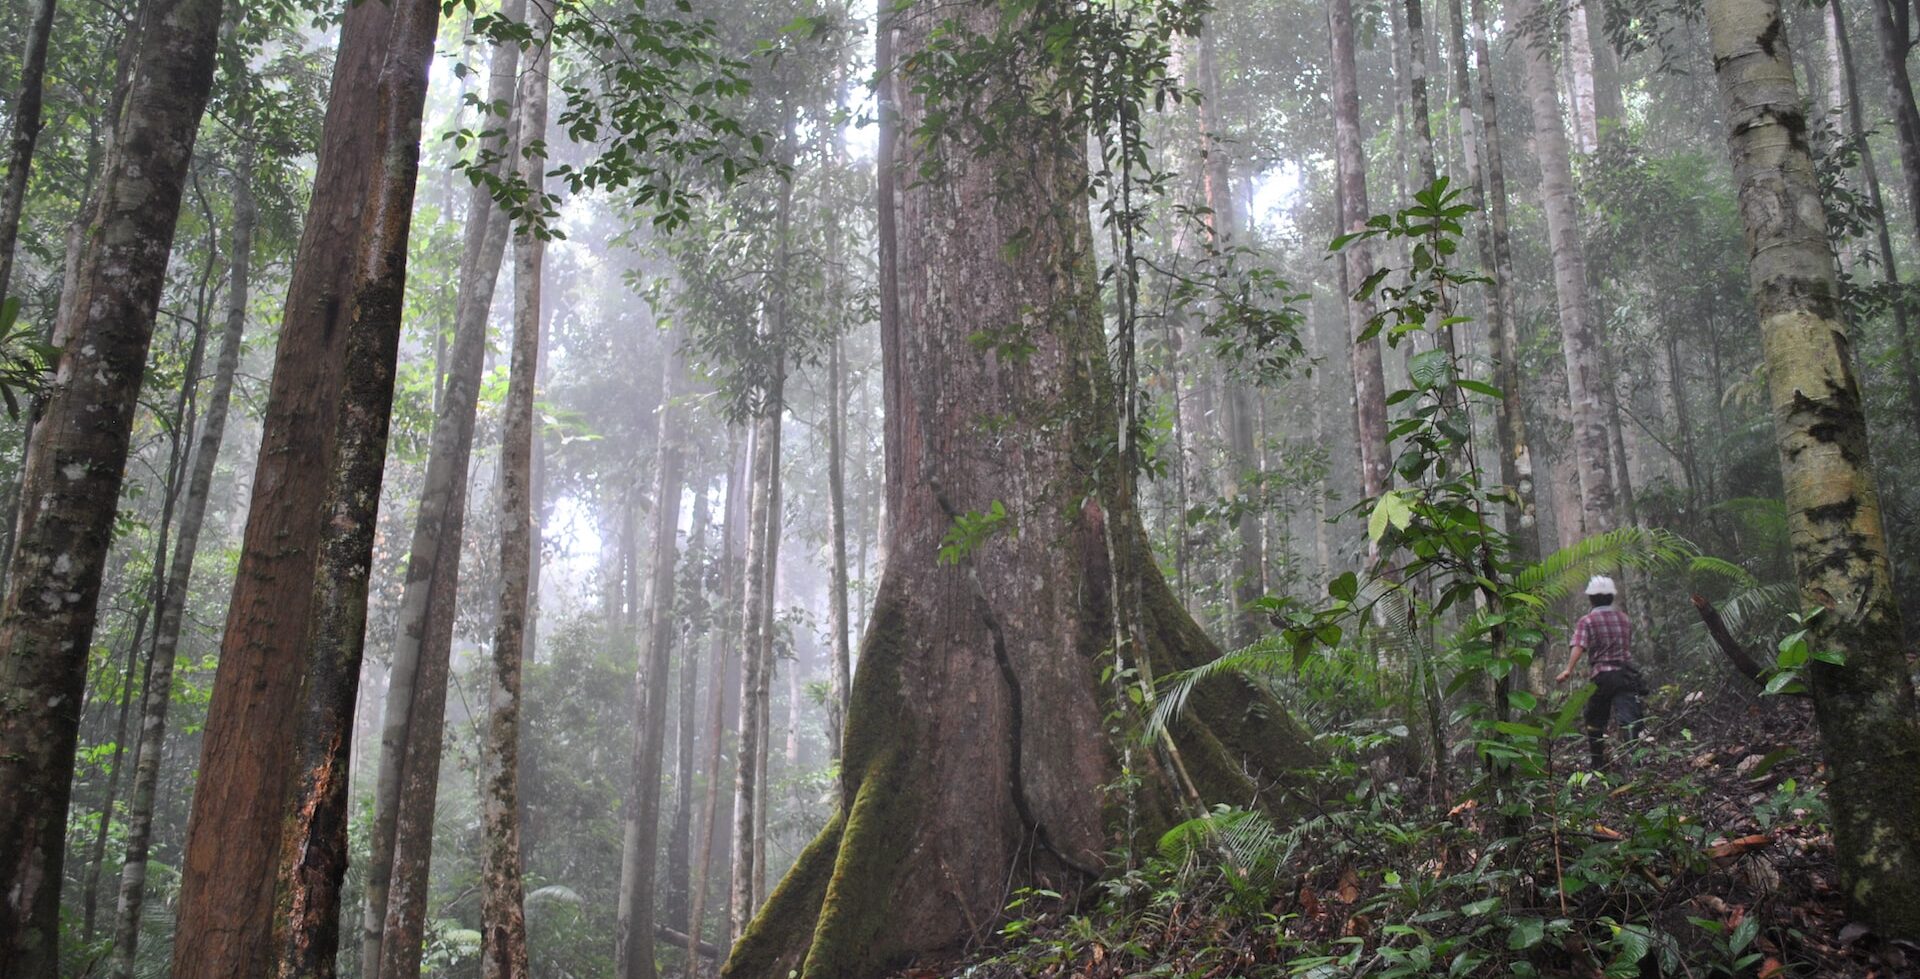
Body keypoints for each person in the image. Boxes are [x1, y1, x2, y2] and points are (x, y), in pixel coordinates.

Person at [1555, 575, 1644, 769]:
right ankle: (1636, 762)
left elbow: (1579, 645)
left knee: (1594, 719)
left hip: (1602, 676)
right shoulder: (1624, 619)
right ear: (1611, 597)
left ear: (1591, 598)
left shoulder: (1587, 621)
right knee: (1629, 719)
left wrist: (1568, 670)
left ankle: (1597, 762)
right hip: (1625, 674)